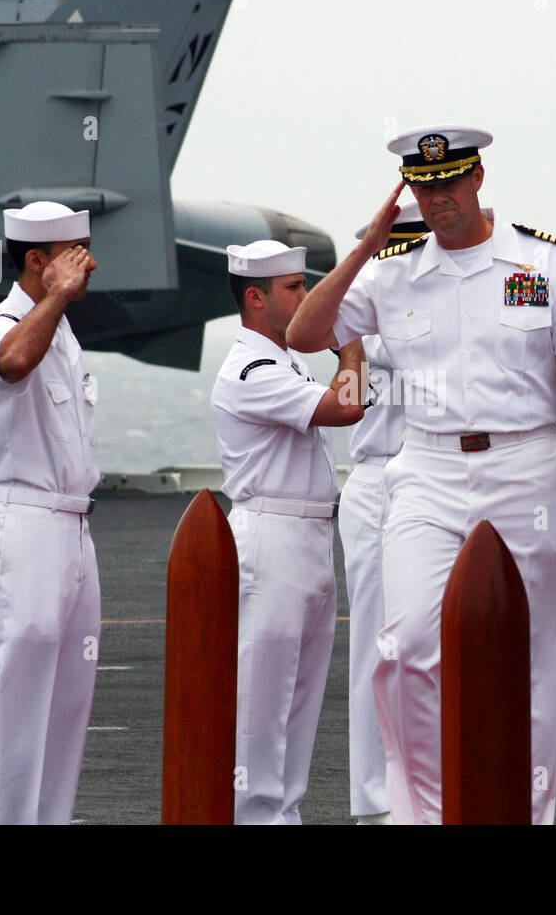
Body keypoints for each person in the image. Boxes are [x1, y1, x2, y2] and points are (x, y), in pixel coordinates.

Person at [287, 125, 556, 824]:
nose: (438, 201)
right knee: (403, 648)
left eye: (449, 184)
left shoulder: (540, 264)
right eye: (424, 189)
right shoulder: (392, 269)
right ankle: (422, 814)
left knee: (527, 654)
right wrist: (365, 248)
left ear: (479, 178)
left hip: (524, 465)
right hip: (426, 467)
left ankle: (527, 812)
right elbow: (304, 335)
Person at [211, 239, 365, 824]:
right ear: (256, 299)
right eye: (295, 288)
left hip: (308, 539)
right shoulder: (250, 369)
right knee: (261, 702)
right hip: (271, 538)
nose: (307, 297)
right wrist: (348, 345)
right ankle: (253, 817)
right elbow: (345, 408)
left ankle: (284, 816)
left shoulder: (284, 361)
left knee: (299, 702)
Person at [0, 201, 100, 824]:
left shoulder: (63, 331)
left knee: (68, 706)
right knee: (17, 706)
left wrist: (59, 302)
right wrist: (57, 297)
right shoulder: (1, 323)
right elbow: (12, 363)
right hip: (23, 525)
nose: (89, 264)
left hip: (74, 526)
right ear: (37, 262)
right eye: (75, 254)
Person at [338, 205, 427, 825]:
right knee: (376, 643)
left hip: (435, 477)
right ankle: (374, 805)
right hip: (377, 481)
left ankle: (426, 794)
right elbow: (348, 397)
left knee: (429, 643)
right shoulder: (360, 312)